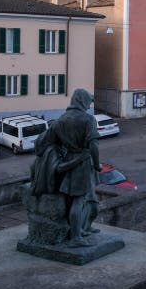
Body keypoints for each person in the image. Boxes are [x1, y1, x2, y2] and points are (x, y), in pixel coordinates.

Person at [53, 89, 101, 247]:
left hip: (68, 163)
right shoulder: (88, 119)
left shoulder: (61, 119)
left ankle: (78, 230)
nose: (89, 105)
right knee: (78, 201)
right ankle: (75, 237)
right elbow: (94, 145)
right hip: (82, 163)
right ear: (81, 101)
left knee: (72, 200)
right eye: (88, 101)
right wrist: (96, 164)